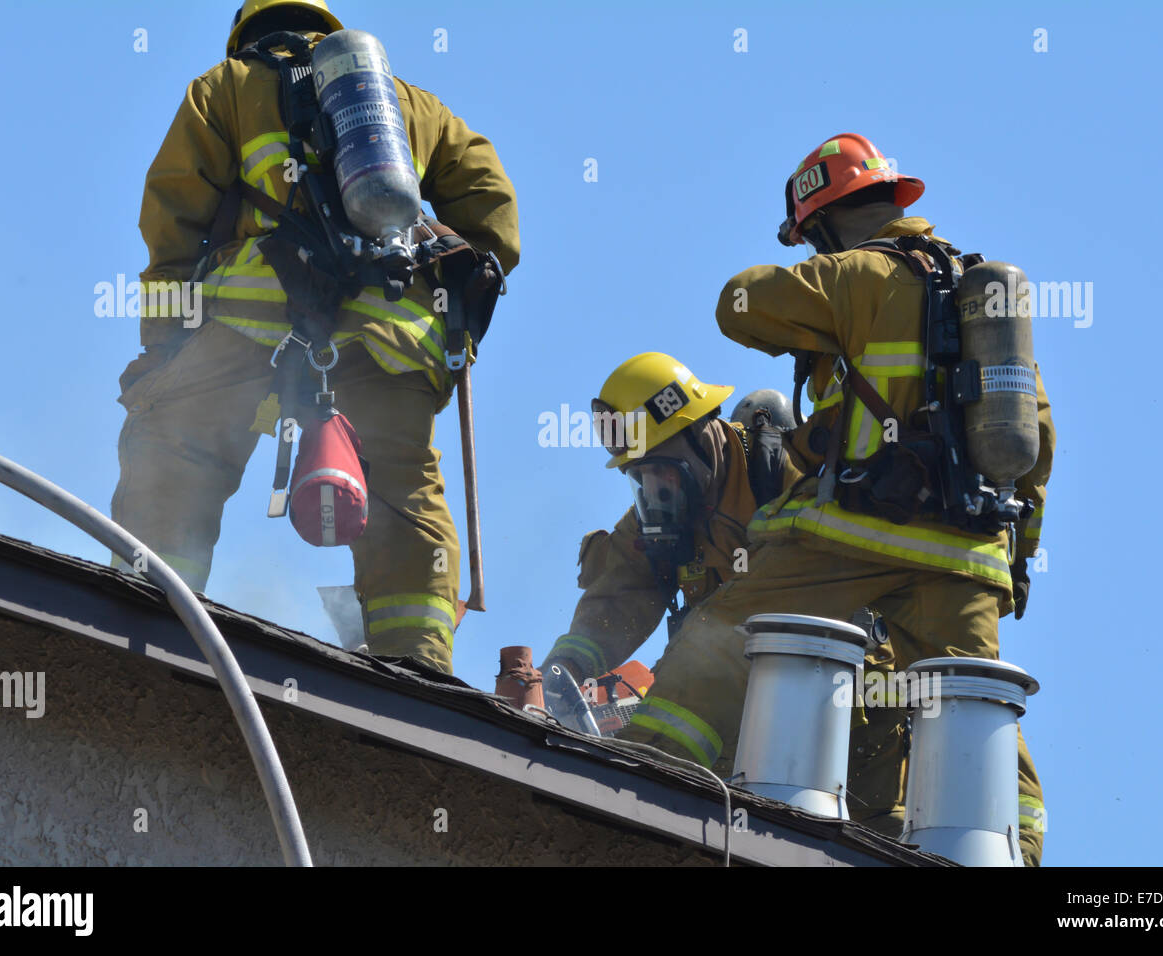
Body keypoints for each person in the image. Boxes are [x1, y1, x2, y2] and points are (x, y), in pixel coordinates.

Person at [618, 133, 1053, 865]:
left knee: (718, 640)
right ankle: (1018, 852)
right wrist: (1016, 562)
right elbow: (1034, 442)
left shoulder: (858, 275)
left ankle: (632, 784)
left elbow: (738, 304)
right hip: (970, 558)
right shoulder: (989, 307)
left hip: (856, 539)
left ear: (823, 221)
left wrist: (818, 290)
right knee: (978, 706)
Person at [109, 0, 519, 675]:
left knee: (176, 448)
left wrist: (164, 347)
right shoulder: (411, 106)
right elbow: (496, 222)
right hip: (392, 338)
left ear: (247, 33)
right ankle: (417, 668)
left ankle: (149, 619)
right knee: (402, 490)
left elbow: (173, 223)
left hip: (251, 324)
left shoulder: (224, 88)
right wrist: (445, 298)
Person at [542, 354, 805, 699]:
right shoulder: (657, 511)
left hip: (815, 687)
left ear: (699, 436)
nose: (653, 491)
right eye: (640, 476)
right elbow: (621, 597)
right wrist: (567, 667)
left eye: (662, 470)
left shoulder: (787, 480)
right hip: (724, 689)